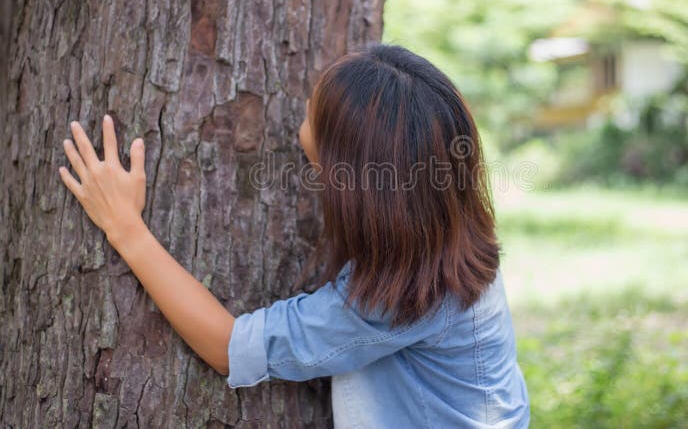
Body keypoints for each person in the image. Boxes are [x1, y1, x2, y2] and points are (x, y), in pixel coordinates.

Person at [58, 43, 531, 428]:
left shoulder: (408, 295)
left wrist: (127, 228)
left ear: (355, 179)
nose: (306, 105)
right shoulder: (444, 233)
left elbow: (229, 347)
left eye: (315, 112)